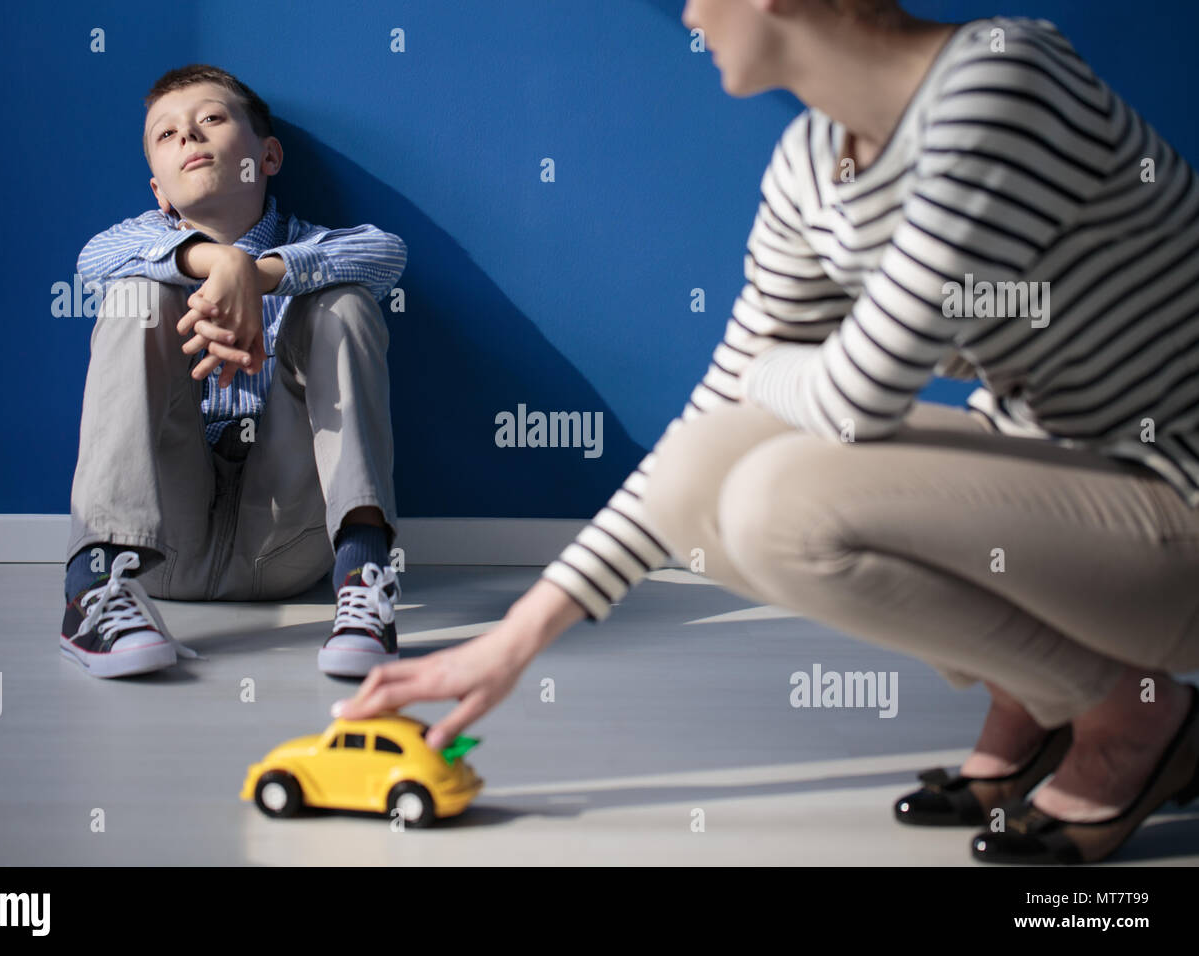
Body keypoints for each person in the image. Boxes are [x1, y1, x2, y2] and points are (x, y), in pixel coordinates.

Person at [340, 1, 1199, 864]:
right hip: (1066, 498)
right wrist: (508, 645)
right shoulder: (812, 163)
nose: (688, 15)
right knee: (719, 474)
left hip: (1175, 500)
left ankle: (1131, 715)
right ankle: (1039, 699)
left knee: (775, 502)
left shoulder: (1003, 82)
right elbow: (713, 426)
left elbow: (861, 396)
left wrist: (763, 374)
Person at [61, 64, 409, 681]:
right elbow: (94, 260)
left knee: (344, 301)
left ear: (267, 156)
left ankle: (362, 579)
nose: (188, 137)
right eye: (166, 135)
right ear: (159, 191)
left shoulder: (317, 244)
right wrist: (218, 262)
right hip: (162, 542)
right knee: (136, 296)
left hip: (287, 540)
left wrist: (261, 273)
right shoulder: (139, 238)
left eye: (210, 120)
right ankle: (93, 590)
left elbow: (385, 254)